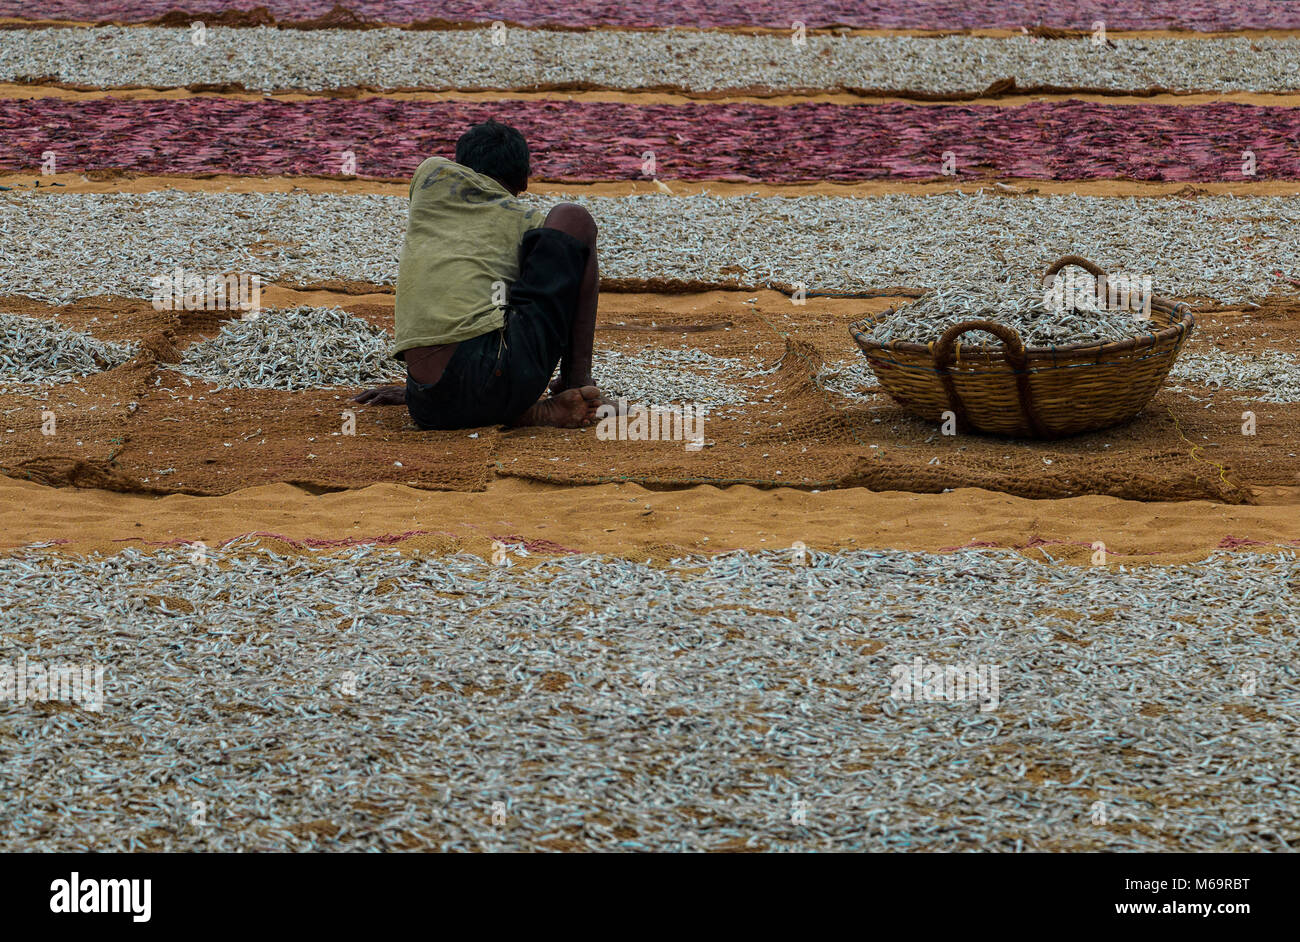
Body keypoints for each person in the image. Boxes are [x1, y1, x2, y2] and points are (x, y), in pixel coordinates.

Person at [353, 120, 604, 428]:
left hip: (426, 404)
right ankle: (576, 381)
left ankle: (505, 408)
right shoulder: (530, 224)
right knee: (574, 219)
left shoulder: (429, 178)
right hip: (494, 379)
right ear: (524, 182)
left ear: (462, 166)